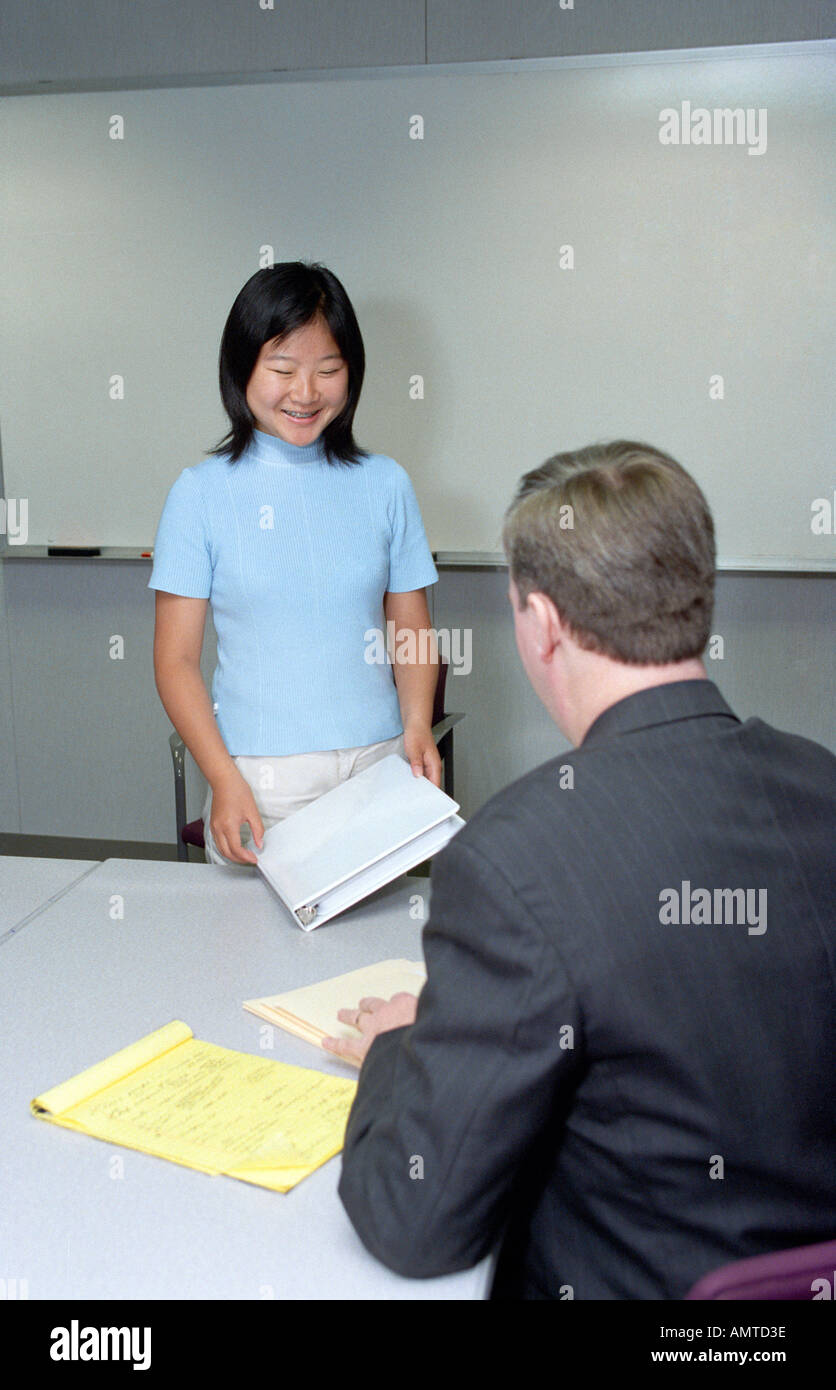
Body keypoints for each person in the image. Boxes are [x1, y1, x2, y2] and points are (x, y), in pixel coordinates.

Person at [325, 440, 836, 1300]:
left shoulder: (515, 860)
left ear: (542, 624)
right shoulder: (823, 786)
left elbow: (415, 1222)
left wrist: (399, 1051)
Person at [149, 262, 440, 865]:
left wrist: (416, 726)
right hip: (260, 781)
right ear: (242, 368)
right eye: (282, 369)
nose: (306, 393)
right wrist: (224, 779)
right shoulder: (200, 494)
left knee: (384, 953)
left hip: (380, 768)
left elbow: (411, 627)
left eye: (328, 370)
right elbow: (175, 662)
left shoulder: (385, 484)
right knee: (260, 956)